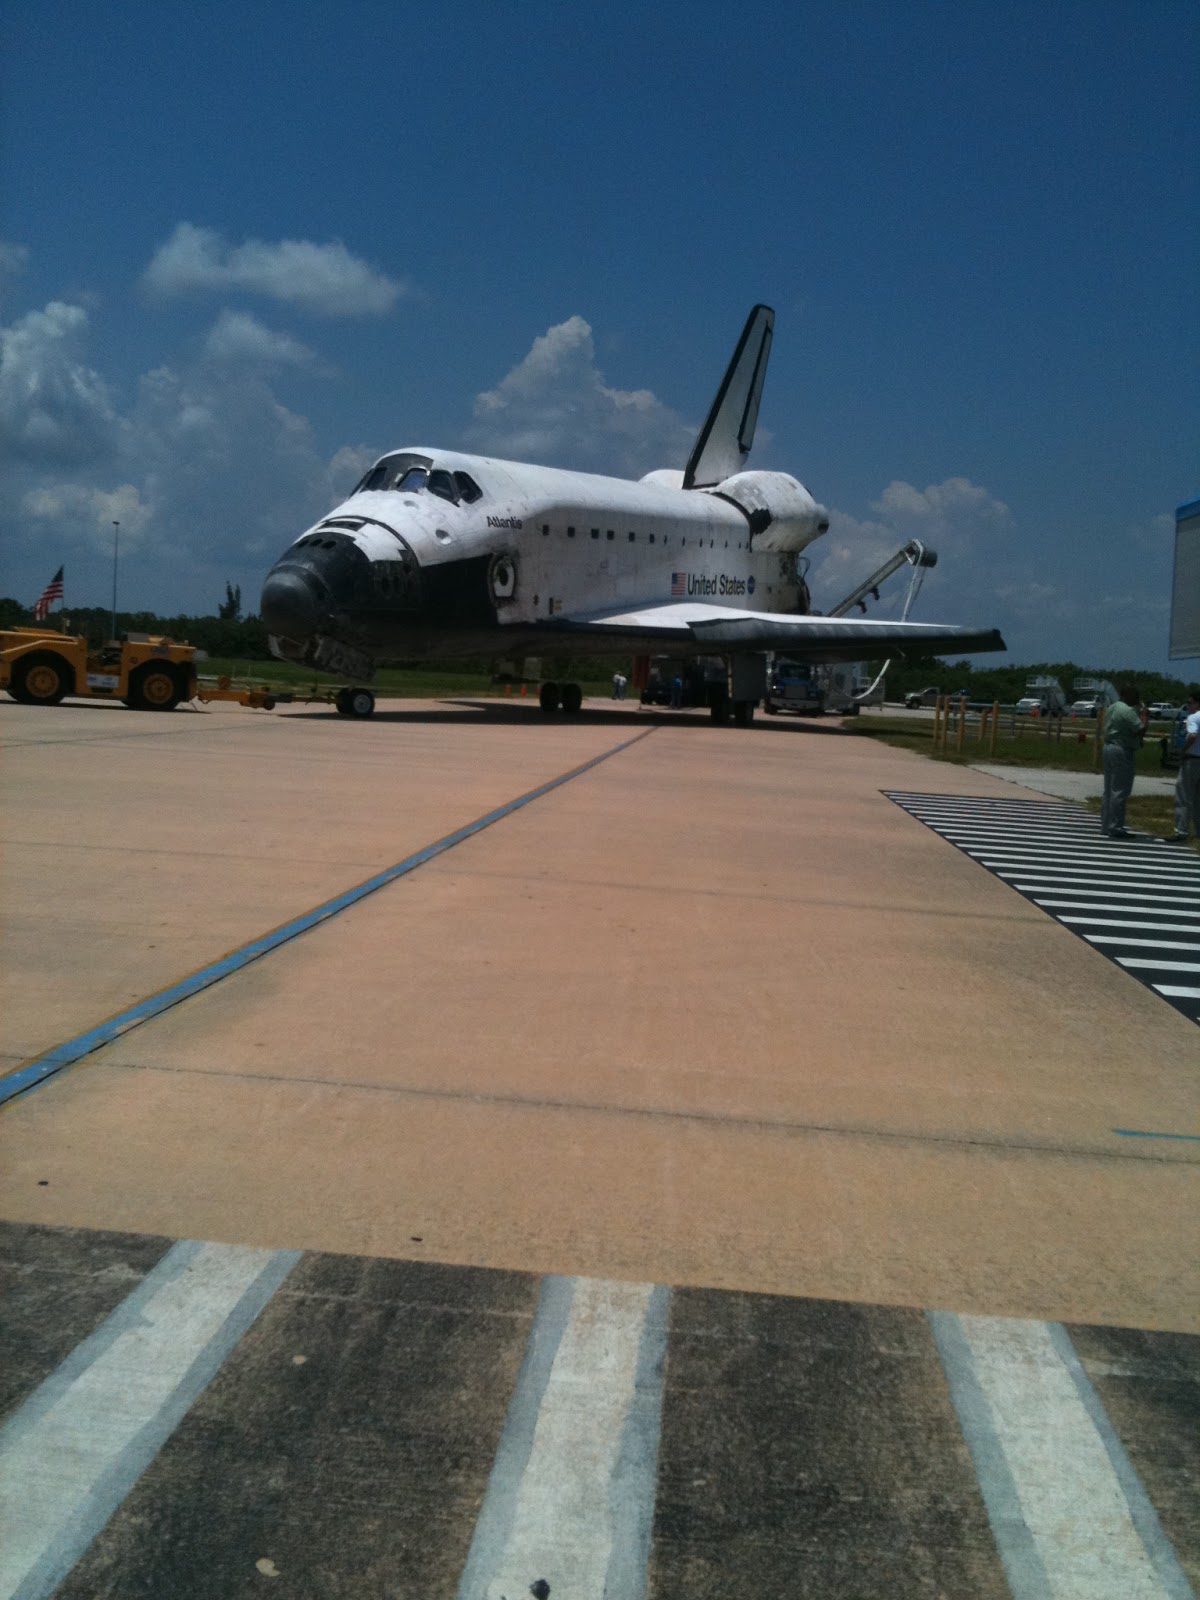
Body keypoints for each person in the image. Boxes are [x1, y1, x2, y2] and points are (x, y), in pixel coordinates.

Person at [1100, 682, 1147, 839]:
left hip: (1108, 747)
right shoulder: (1127, 711)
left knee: (1109, 789)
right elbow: (1140, 729)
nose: (1137, 699)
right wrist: (1144, 714)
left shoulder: (1113, 707)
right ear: (1127, 695)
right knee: (1120, 790)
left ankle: (1106, 825)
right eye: (1135, 696)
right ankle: (1116, 827)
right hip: (1122, 750)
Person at [1166, 687, 1200, 842]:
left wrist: (1183, 751)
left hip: (1192, 760)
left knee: (1184, 796)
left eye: (1190, 703)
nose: (1188, 706)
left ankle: (1182, 830)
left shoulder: (1193, 718)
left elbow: (1192, 735)